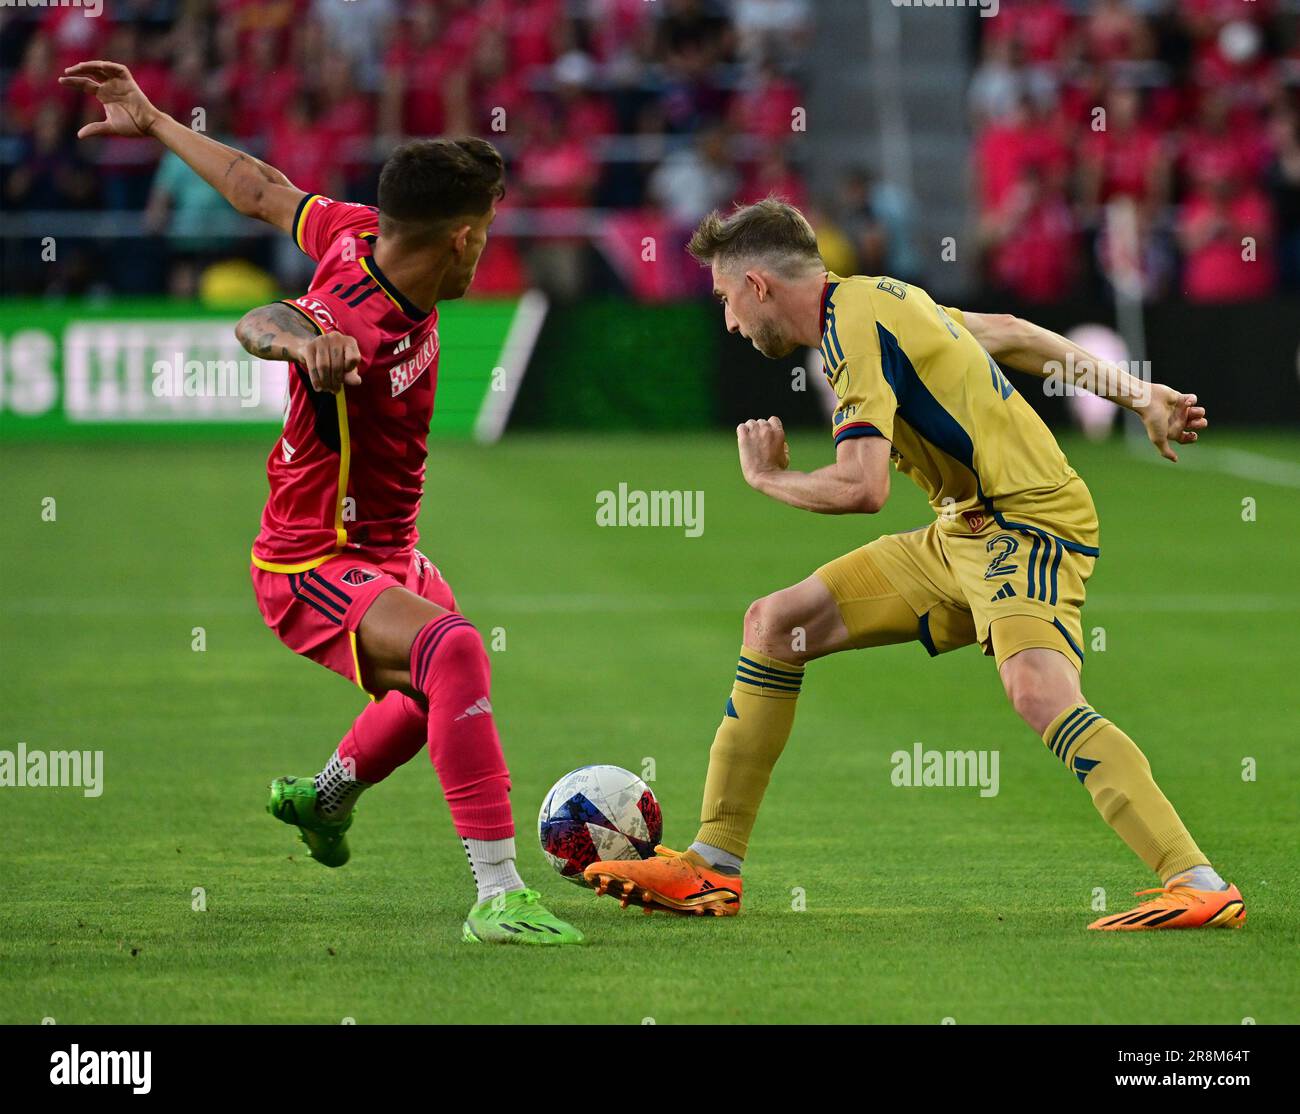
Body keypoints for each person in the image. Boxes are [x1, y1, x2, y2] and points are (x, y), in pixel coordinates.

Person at [585, 198, 1244, 932]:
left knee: (1038, 692)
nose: (731, 322)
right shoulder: (884, 296)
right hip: (960, 529)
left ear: (759, 285)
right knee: (776, 624)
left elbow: (862, 488)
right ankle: (713, 869)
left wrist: (768, 478)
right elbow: (1015, 335)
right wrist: (1139, 393)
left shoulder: (851, 335)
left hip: (1026, 524)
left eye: (727, 299)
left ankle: (1198, 882)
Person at [62, 58, 582, 946]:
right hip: (310, 563)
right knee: (453, 651)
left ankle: (324, 802)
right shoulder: (351, 313)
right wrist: (303, 347)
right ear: (460, 238)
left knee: (433, 697)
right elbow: (261, 321)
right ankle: (498, 895)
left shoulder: (355, 230)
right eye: (487, 233)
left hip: (388, 549)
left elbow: (259, 188)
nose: (489, 250)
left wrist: (153, 122)